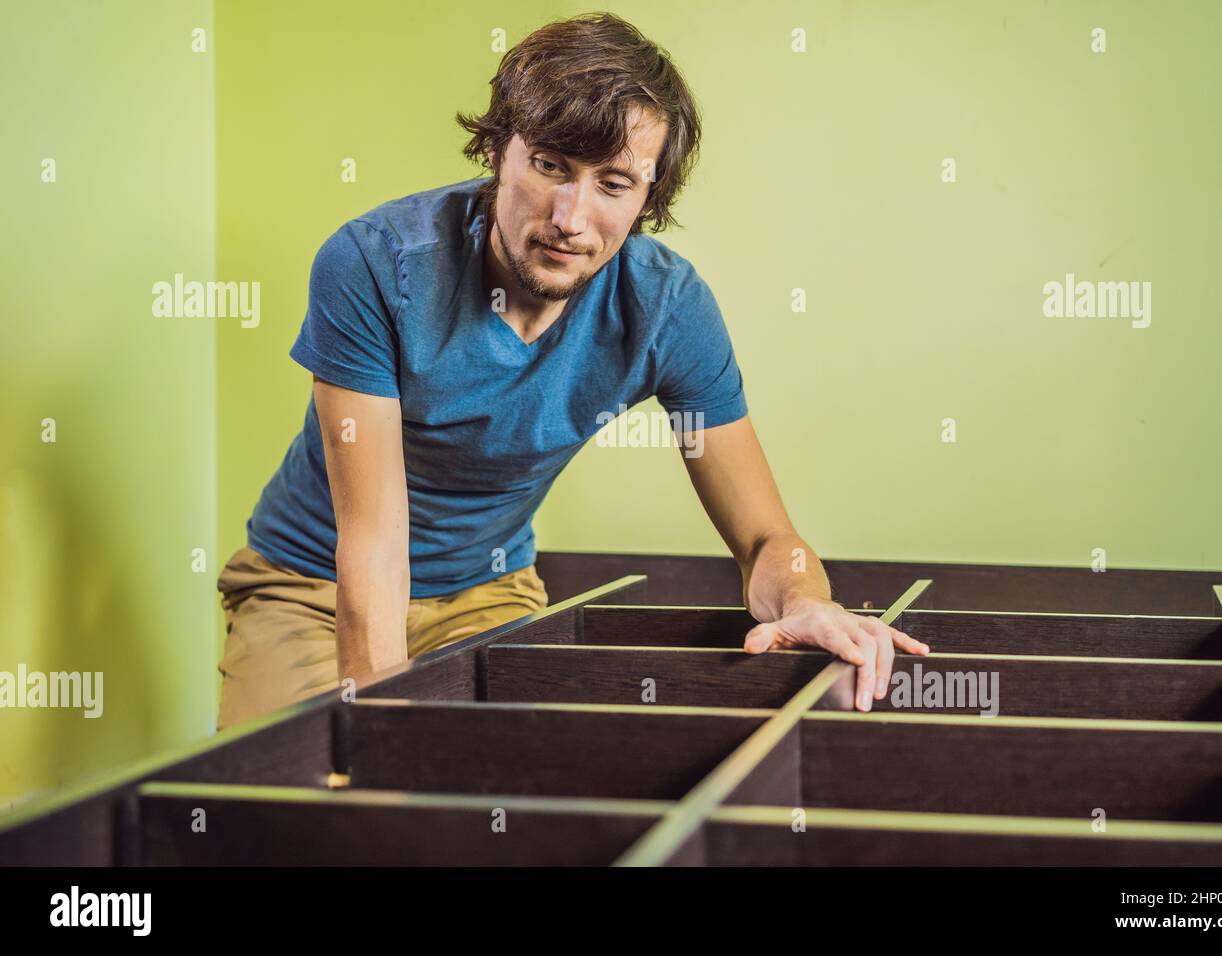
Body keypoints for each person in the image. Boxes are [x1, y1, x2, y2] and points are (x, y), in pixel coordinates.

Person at [216, 12, 927, 732]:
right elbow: (372, 543)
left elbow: (765, 541)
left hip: (489, 587)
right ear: (498, 152)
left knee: (524, 785)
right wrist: (384, 739)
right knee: (301, 792)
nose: (570, 216)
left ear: (648, 199)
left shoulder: (667, 309)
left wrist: (806, 602)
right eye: (550, 164)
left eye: (613, 183)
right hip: (312, 584)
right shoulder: (376, 265)